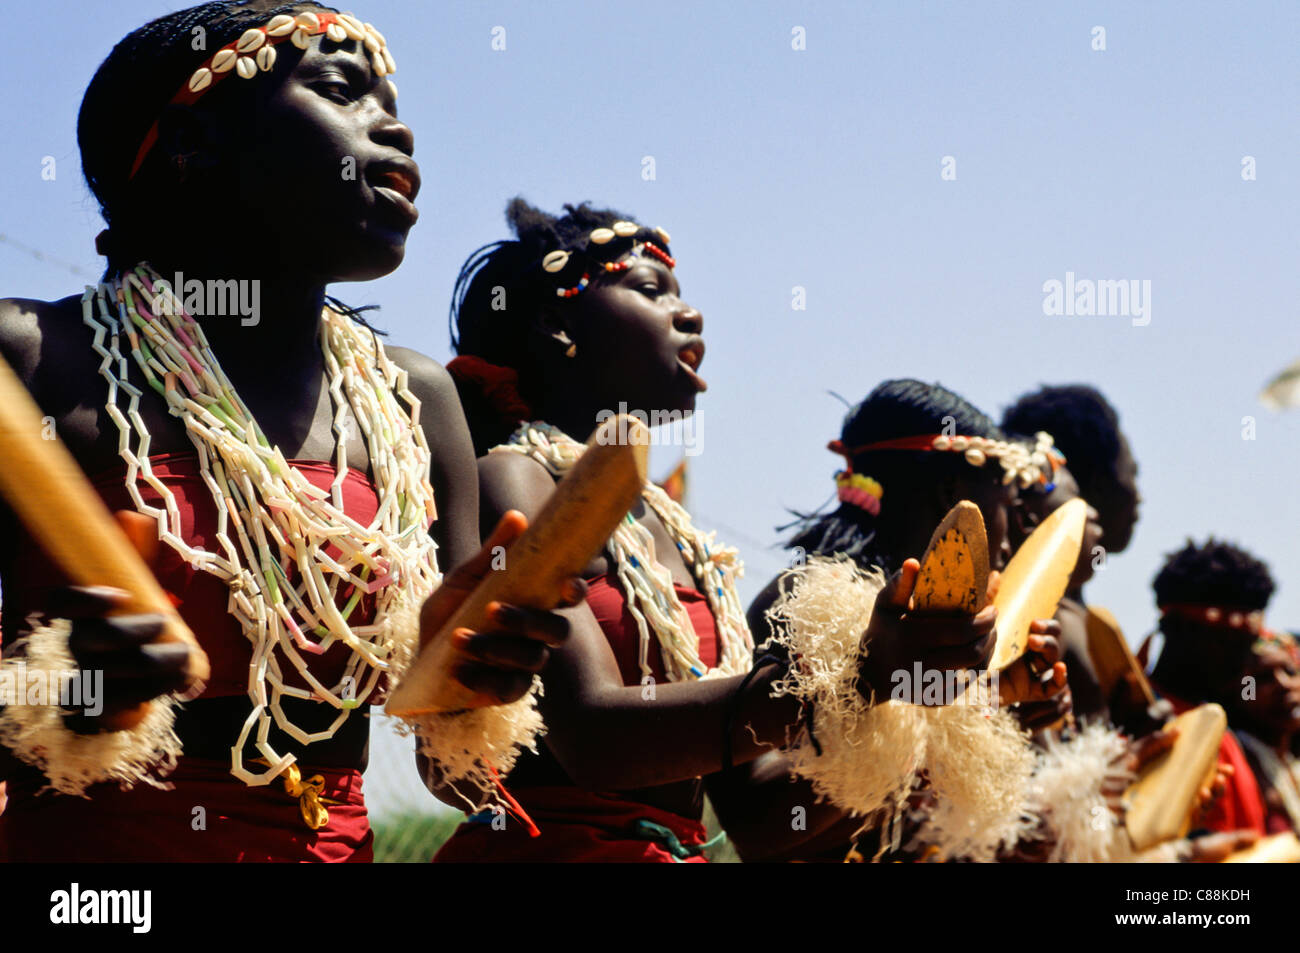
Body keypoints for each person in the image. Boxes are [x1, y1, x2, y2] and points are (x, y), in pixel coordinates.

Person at [0, 1, 580, 862]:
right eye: (343, 90)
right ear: (193, 143)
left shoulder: (414, 400)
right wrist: (71, 689)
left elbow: (452, 769)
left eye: (391, 97)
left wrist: (475, 681)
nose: (397, 127)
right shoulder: (34, 361)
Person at [433, 201, 1001, 862]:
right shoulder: (513, 480)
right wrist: (857, 677)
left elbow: (760, 820)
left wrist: (897, 714)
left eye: (681, 294)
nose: (691, 314)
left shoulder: (675, 535)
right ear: (558, 324)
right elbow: (592, 737)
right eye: (651, 290)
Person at [1148, 539, 1280, 837]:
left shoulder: (1223, 730)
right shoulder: (1146, 723)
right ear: (1183, 630)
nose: (1245, 662)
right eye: (1234, 644)